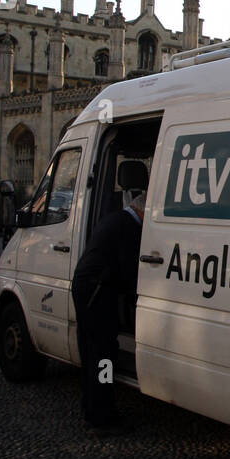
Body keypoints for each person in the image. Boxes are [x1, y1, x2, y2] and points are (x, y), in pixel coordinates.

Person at [71, 176, 146, 435]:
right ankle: (103, 417)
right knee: (104, 355)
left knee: (91, 352)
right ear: (141, 211)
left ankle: (91, 408)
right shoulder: (129, 226)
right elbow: (127, 270)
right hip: (97, 292)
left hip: (86, 287)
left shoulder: (115, 219)